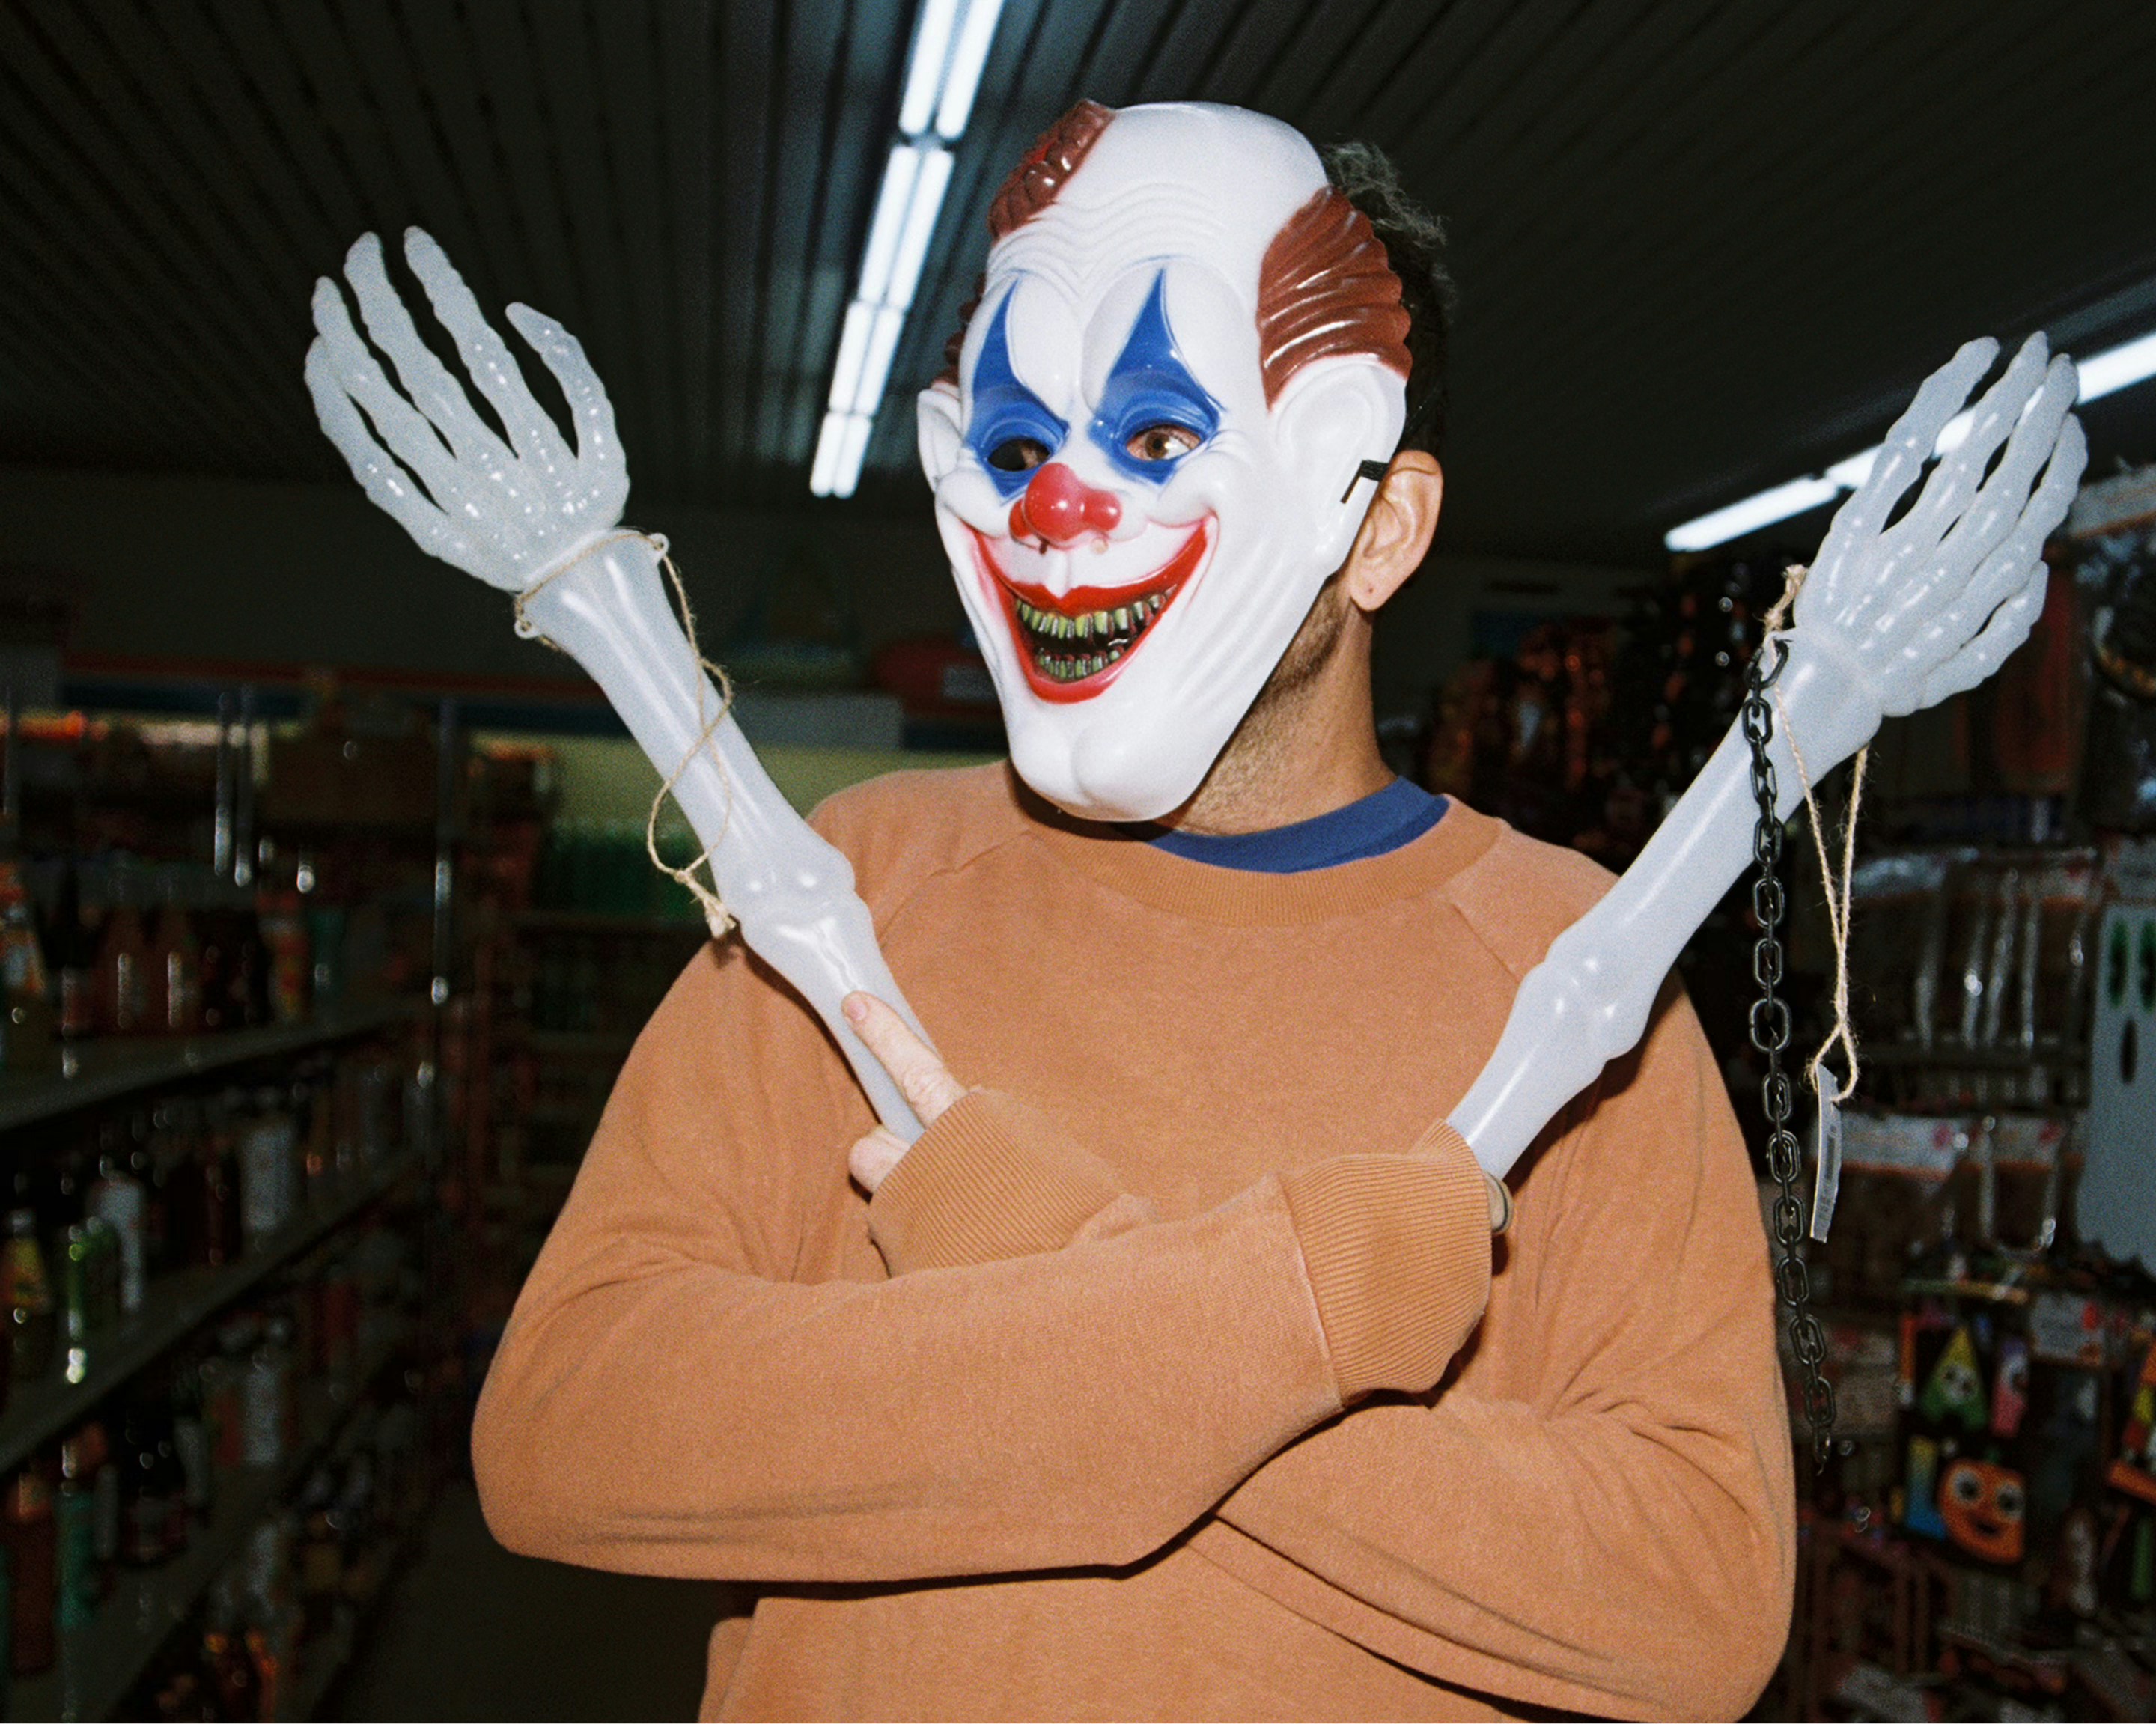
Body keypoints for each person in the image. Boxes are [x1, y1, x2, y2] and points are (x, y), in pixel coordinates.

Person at [473, 100, 1793, 1721]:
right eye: (1015, 452)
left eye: (1159, 440)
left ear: (1380, 528)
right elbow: (573, 1426)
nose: (1058, 513)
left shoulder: (1577, 969)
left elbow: (1690, 1602)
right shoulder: (850, 892)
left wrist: (1031, 1255)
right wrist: (1283, 1314)